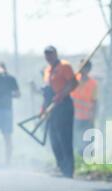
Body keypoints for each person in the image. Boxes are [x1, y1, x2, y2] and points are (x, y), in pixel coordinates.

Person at [42, 46, 78, 178]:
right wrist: (43, 108)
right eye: (46, 54)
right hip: (51, 107)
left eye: (50, 54)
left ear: (56, 54)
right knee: (53, 138)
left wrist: (62, 95)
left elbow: (73, 83)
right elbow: (46, 91)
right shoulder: (47, 71)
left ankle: (69, 169)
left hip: (64, 105)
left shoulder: (65, 66)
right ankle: (61, 166)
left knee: (64, 137)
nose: (48, 56)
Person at [71, 60, 98, 156]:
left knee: (87, 138)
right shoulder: (73, 80)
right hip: (74, 115)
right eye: (81, 67)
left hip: (87, 116)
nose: (82, 70)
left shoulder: (93, 83)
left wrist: (93, 117)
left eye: (85, 68)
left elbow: (94, 102)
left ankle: (87, 156)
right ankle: (76, 156)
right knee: (75, 137)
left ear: (89, 69)